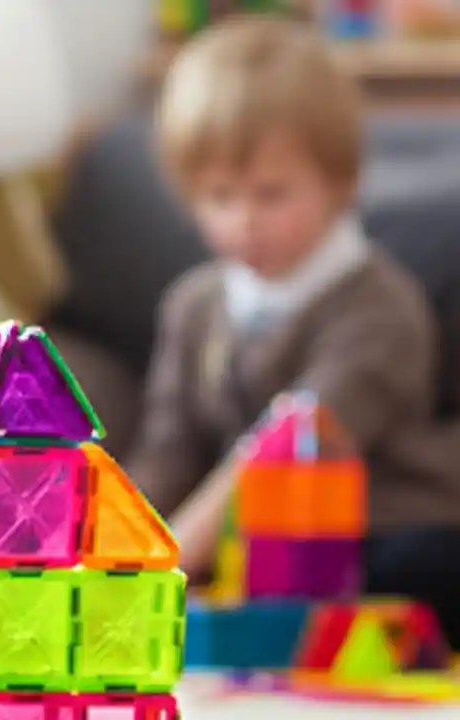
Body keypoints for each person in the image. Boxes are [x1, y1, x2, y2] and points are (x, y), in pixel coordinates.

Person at [129, 15, 460, 644]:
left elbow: (289, 444)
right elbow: (167, 451)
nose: (244, 222)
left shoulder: (379, 305)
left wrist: (167, 561)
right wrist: (112, 546)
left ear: (340, 184)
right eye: (220, 198)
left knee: (416, 565)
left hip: (377, 522)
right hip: (245, 539)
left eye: (271, 194)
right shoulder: (193, 305)